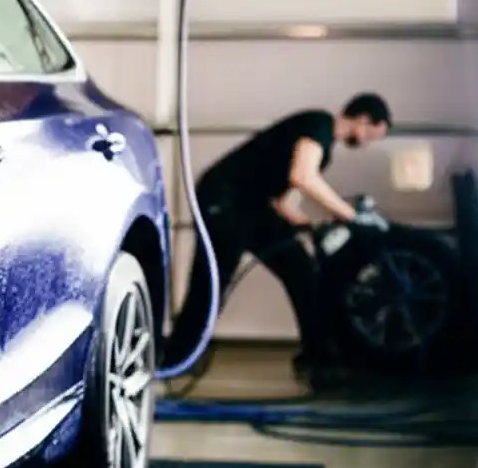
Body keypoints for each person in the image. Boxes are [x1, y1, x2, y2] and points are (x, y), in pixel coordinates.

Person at [168, 93, 393, 377]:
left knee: (302, 272)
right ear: (363, 120)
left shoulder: (322, 142)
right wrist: (350, 217)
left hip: (252, 205)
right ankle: (177, 358)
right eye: (372, 136)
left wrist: (309, 224)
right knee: (211, 281)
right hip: (224, 200)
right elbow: (303, 177)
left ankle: (320, 356)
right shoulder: (319, 124)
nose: (367, 142)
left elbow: (282, 201)